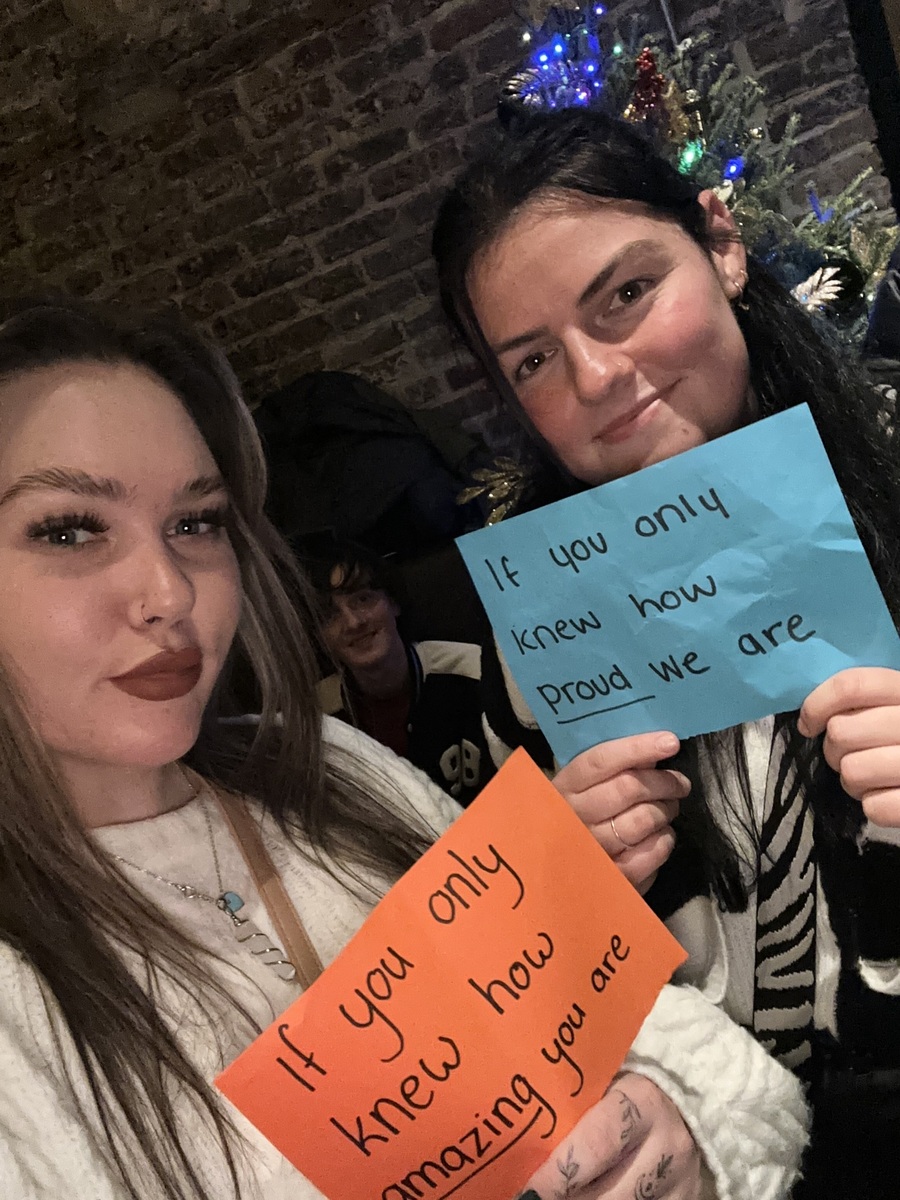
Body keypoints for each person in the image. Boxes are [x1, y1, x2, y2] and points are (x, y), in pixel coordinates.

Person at [0, 298, 806, 1200]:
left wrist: (683, 1129)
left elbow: (695, 1058)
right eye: (68, 529)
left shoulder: (327, 766)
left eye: (197, 522)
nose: (169, 593)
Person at [432, 107, 900, 1200]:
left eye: (627, 293)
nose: (597, 376)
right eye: (534, 359)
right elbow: (524, 1028)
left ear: (721, 244)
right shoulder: (536, 650)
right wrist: (560, 892)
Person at [300, 535, 491, 805]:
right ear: (320, 637)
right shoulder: (315, 719)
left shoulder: (476, 671)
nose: (353, 622)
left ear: (393, 602)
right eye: (329, 615)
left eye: (363, 599)